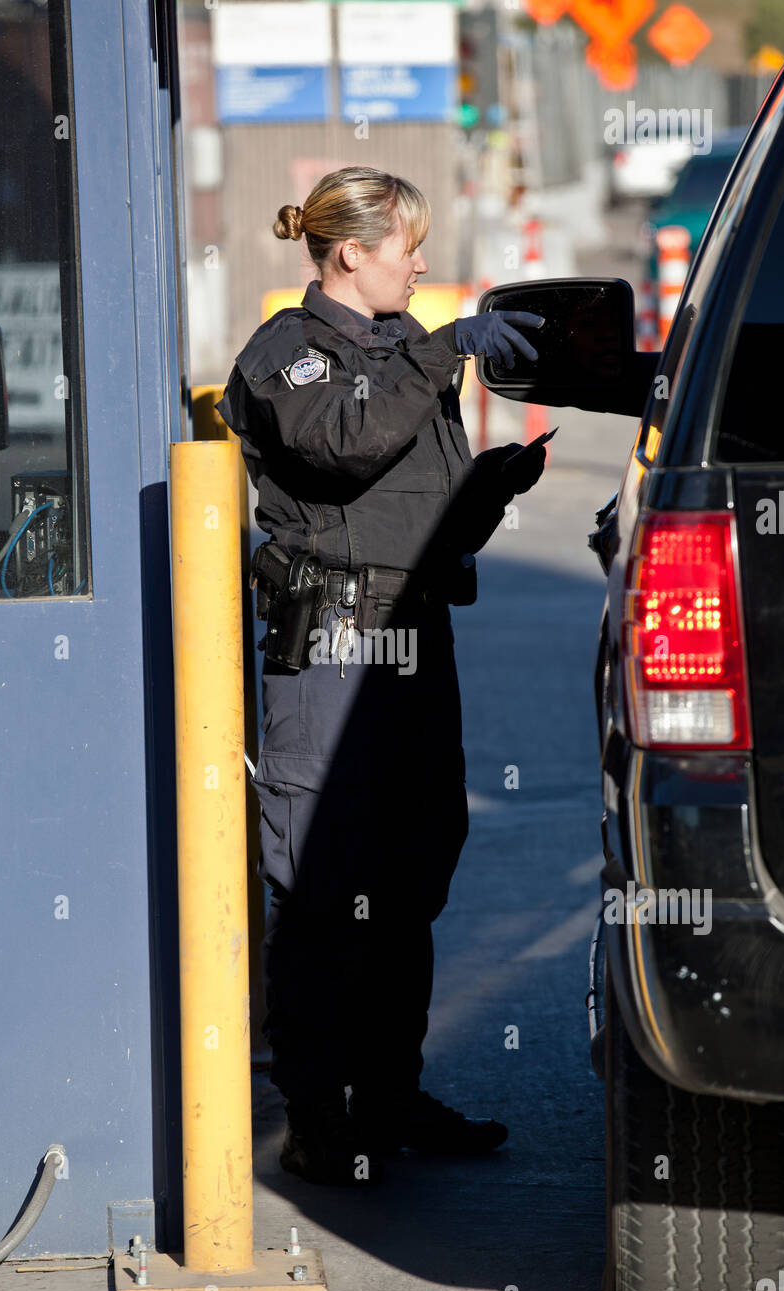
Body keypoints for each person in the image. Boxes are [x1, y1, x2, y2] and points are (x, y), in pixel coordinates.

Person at [217, 166, 548, 1186]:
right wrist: (447, 345)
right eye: (404, 243)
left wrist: (488, 492)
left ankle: (389, 1096)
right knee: (321, 886)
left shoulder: (404, 353)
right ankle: (318, 1119)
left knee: (408, 879)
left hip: (410, 645)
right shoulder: (285, 355)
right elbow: (347, 443)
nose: (417, 260)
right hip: (331, 650)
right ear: (349, 251)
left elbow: (410, 510)